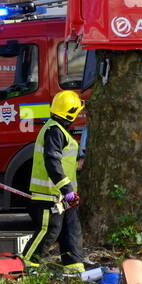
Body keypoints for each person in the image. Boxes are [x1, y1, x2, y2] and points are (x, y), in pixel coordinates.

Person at [26, 89, 86, 271]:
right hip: (49, 195)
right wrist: (67, 189)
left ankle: (74, 268)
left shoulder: (59, 131)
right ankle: (28, 264)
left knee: (71, 230)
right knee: (49, 231)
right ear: (71, 113)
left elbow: (62, 161)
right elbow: (52, 161)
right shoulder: (54, 131)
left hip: (63, 196)